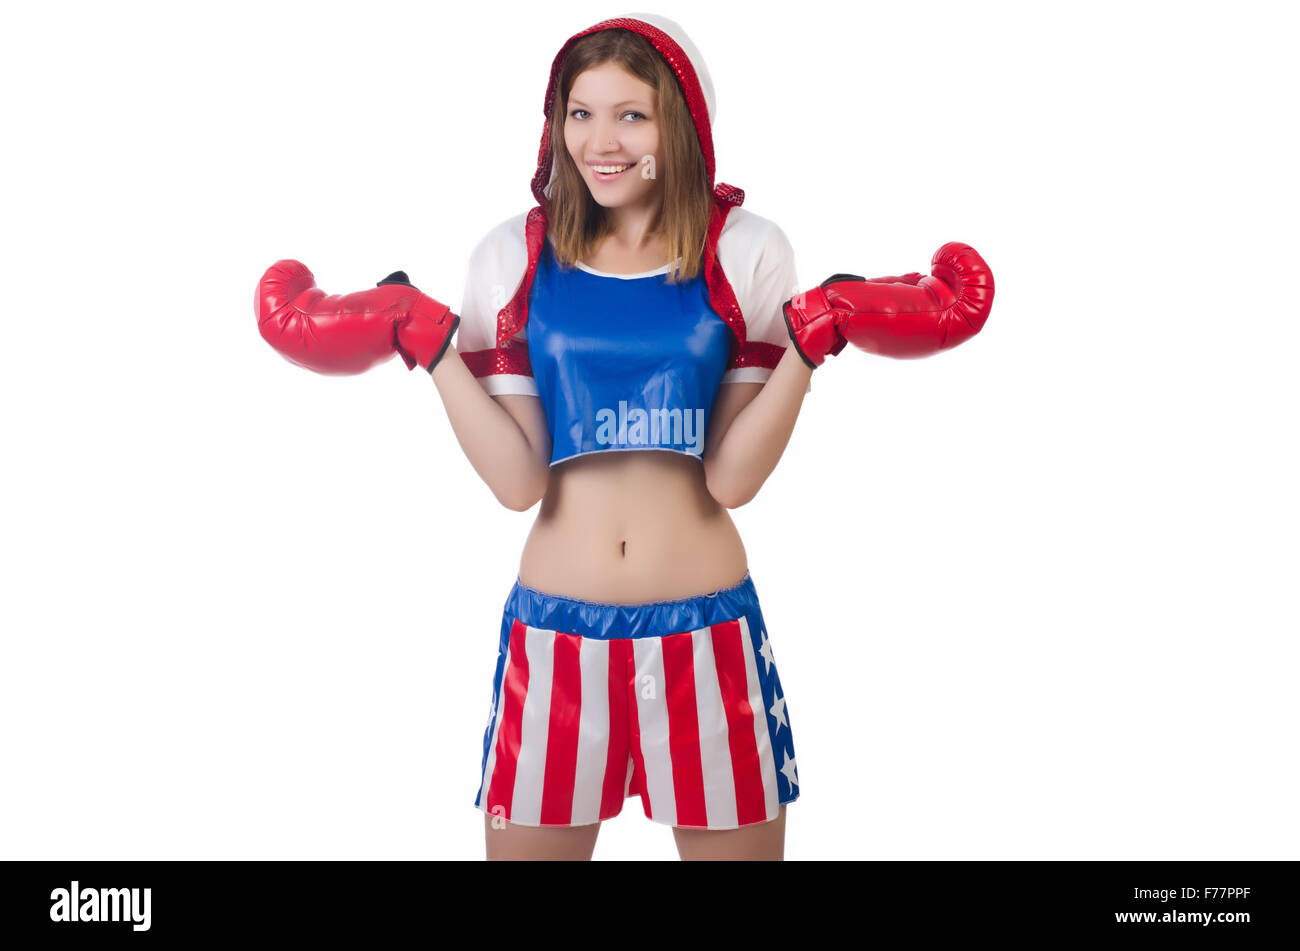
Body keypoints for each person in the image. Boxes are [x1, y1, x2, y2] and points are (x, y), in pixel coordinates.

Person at [254, 12, 993, 862]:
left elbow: (730, 480)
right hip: (554, 639)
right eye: (580, 113)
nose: (600, 141)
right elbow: (519, 483)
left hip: (708, 636)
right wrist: (427, 347)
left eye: (630, 115)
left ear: (678, 122)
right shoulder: (515, 256)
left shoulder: (746, 250)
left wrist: (812, 343)